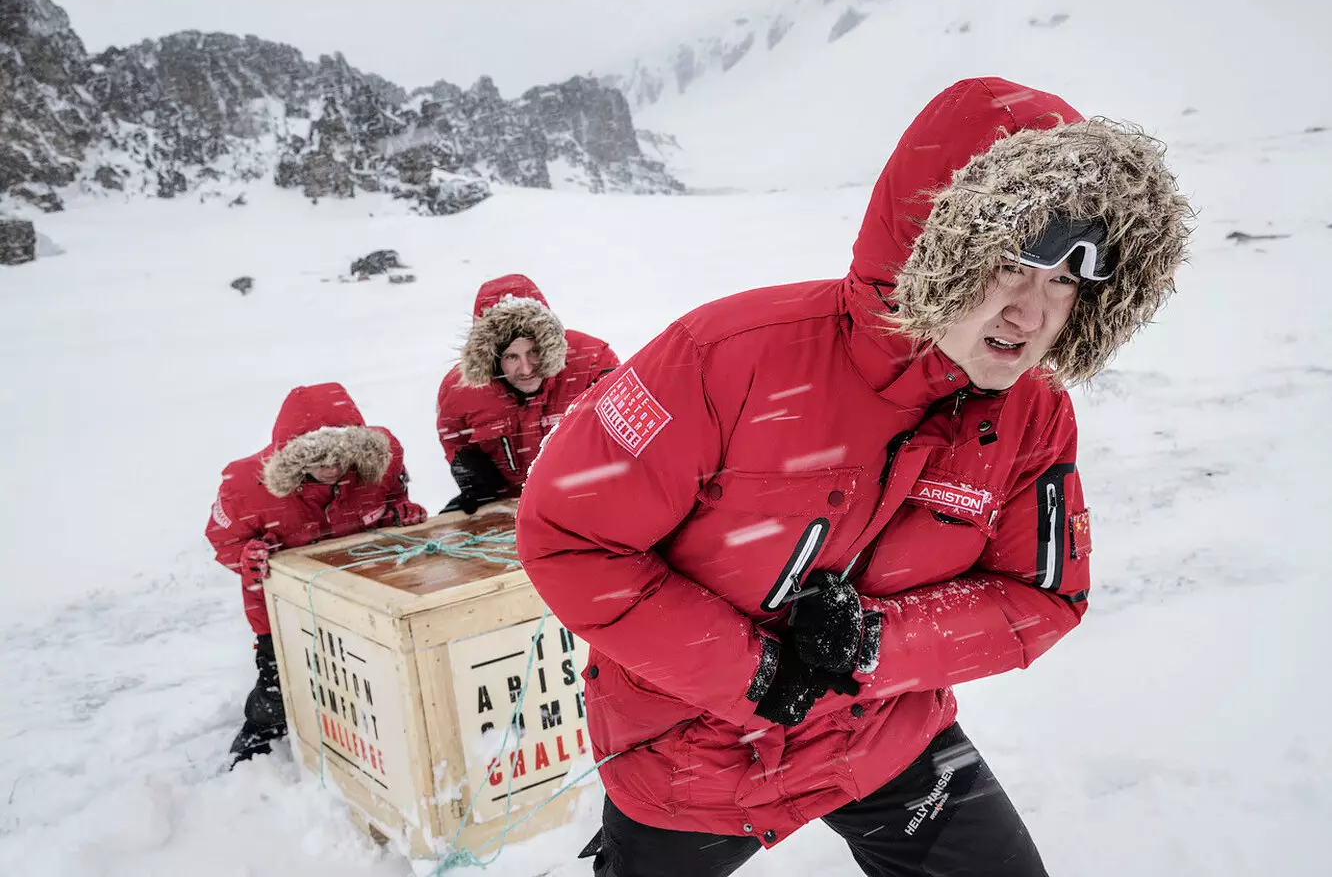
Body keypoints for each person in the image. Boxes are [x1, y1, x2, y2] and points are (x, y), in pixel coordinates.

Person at [515, 76, 1192, 877]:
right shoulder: (727, 358)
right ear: (934, 242)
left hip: (882, 737)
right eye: (1012, 264)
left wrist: (875, 643)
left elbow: (1043, 596)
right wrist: (756, 673)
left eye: (1065, 281)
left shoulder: (1033, 417)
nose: (1032, 312)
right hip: (690, 754)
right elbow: (570, 537)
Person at [206, 382, 427, 764]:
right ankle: (257, 741)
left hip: (361, 596)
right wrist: (247, 557)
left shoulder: (380, 462)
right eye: (318, 458)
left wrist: (400, 518)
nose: (331, 467)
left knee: (366, 673)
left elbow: (393, 502)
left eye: (341, 456)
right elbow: (223, 541)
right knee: (279, 687)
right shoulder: (246, 488)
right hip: (280, 611)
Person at [436, 274, 618, 513]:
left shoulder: (592, 364)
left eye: (534, 351)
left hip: (591, 494)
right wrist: (473, 475)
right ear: (491, 358)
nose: (527, 368)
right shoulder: (460, 391)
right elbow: (455, 438)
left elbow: (624, 432)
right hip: (514, 508)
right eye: (511, 356)